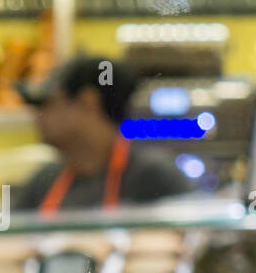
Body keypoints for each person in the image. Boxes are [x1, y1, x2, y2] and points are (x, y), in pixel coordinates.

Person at [13, 55, 192, 211]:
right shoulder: (44, 181)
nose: (37, 117)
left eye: (47, 104)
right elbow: (3, 241)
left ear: (88, 103)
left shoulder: (153, 176)